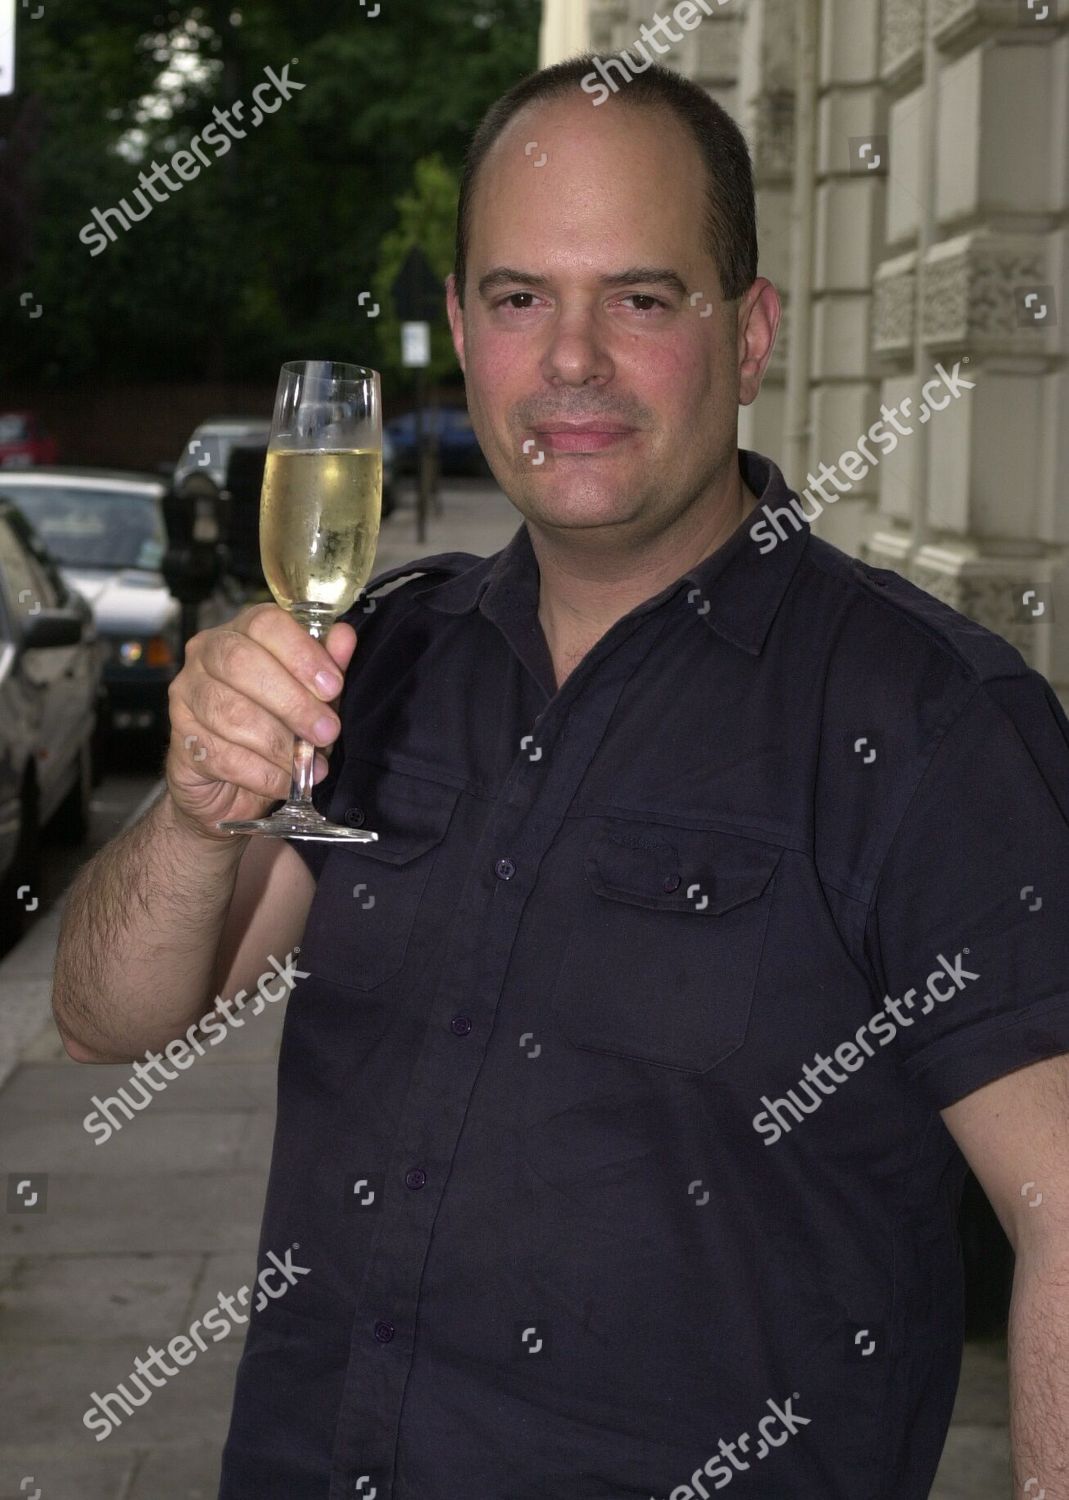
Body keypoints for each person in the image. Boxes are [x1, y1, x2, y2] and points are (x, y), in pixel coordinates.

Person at [53, 53, 1069, 1500]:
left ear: (752, 332)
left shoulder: (929, 723)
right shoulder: (381, 656)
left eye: (640, 300)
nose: (572, 360)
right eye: (522, 298)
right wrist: (199, 808)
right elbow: (103, 1018)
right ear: (462, 331)